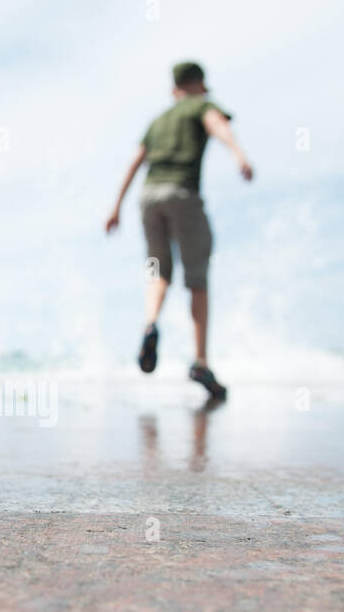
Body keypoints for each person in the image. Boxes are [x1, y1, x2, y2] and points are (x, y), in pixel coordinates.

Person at [105, 61, 253, 400]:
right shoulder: (202, 106)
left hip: (148, 197)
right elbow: (216, 124)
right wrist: (239, 154)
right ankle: (200, 360)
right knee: (197, 278)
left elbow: (135, 161)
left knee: (157, 271)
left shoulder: (158, 121)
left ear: (174, 90)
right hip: (182, 194)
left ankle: (150, 323)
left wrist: (115, 207)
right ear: (200, 85)